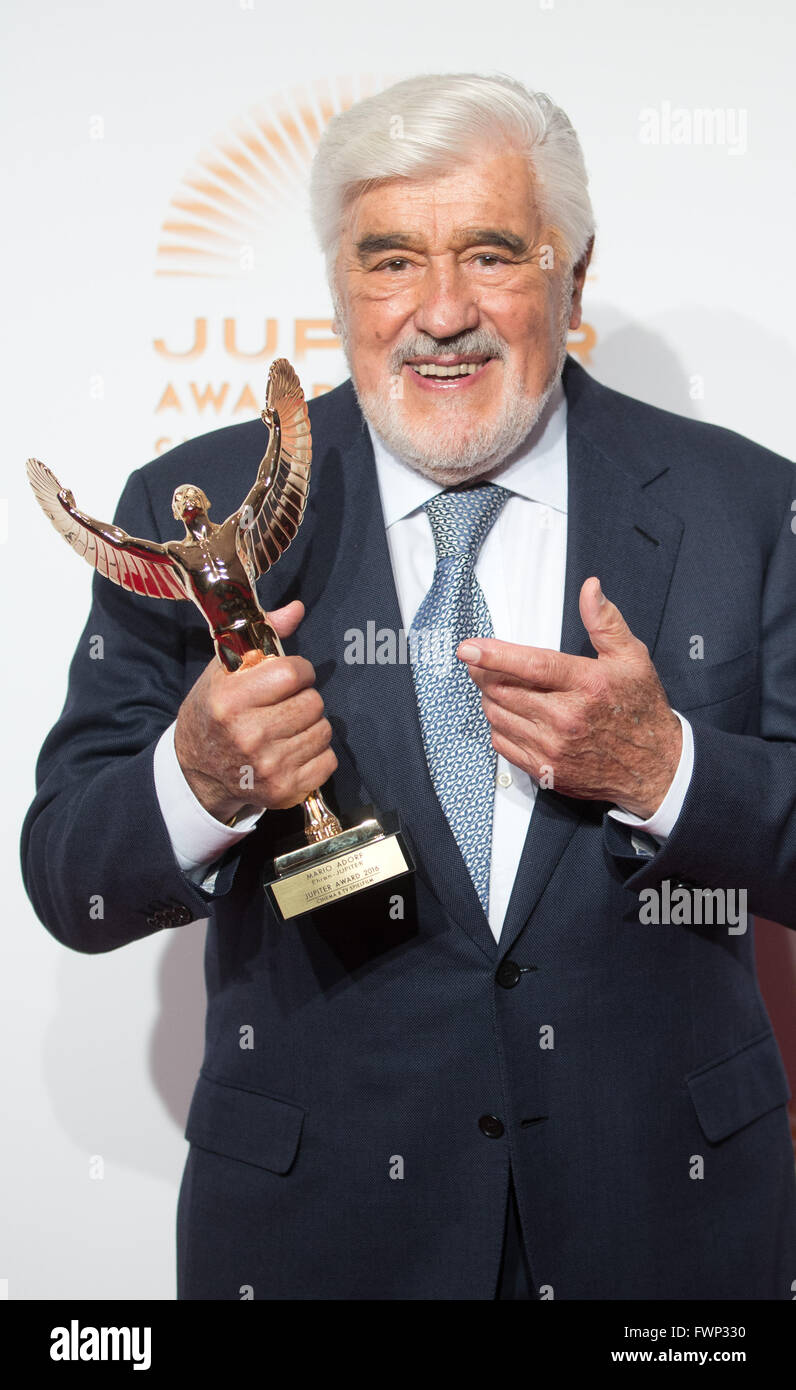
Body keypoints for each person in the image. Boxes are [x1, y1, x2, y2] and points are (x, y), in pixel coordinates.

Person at [21, 71, 796, 1300]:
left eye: (491, 253)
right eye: (389, 261)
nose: (440, 313)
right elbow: (73, 880)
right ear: (339, 284)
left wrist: (669, 771)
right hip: (318, 1236)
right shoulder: (198, 519)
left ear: (573, 276)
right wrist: (197, 779)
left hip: (662, 1228)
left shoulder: (743, 504)